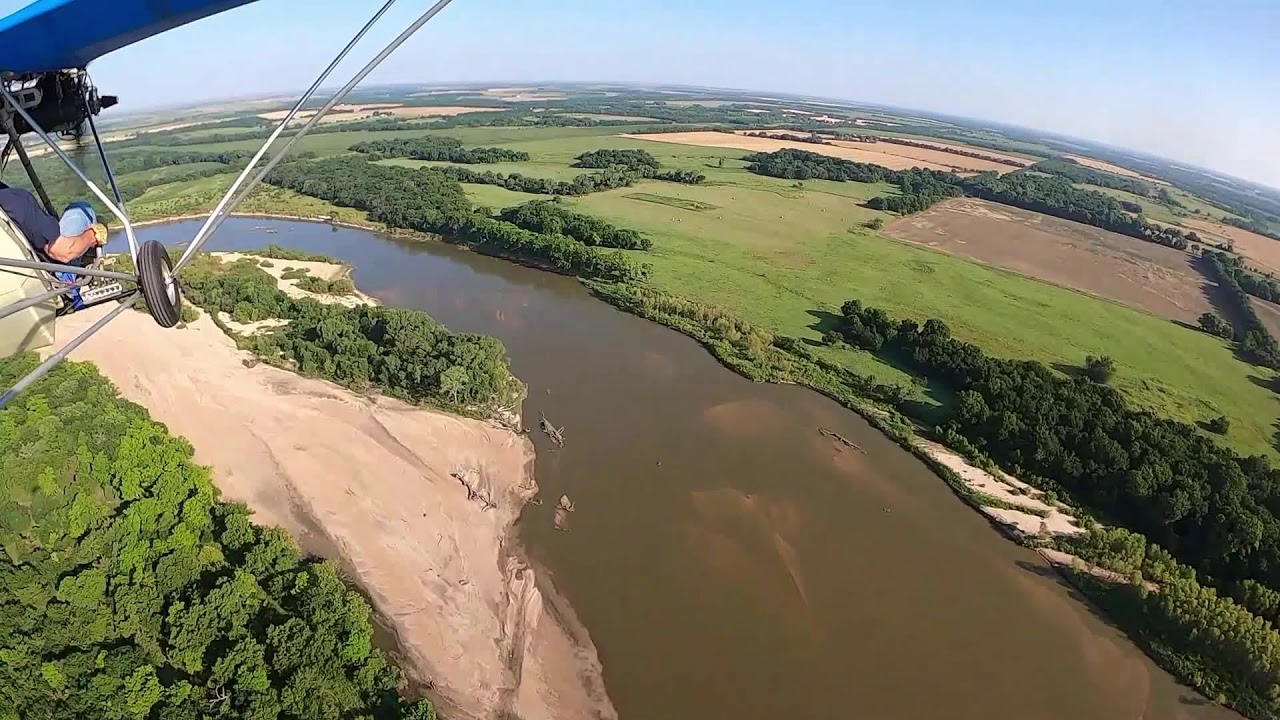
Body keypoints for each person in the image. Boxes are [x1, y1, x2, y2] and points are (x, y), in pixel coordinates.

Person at [0, 187, 106, 266]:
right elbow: (64, 252)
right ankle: (80, 267)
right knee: (81, 209)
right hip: (52, 271)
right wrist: (94, 234)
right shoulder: (14, 200)